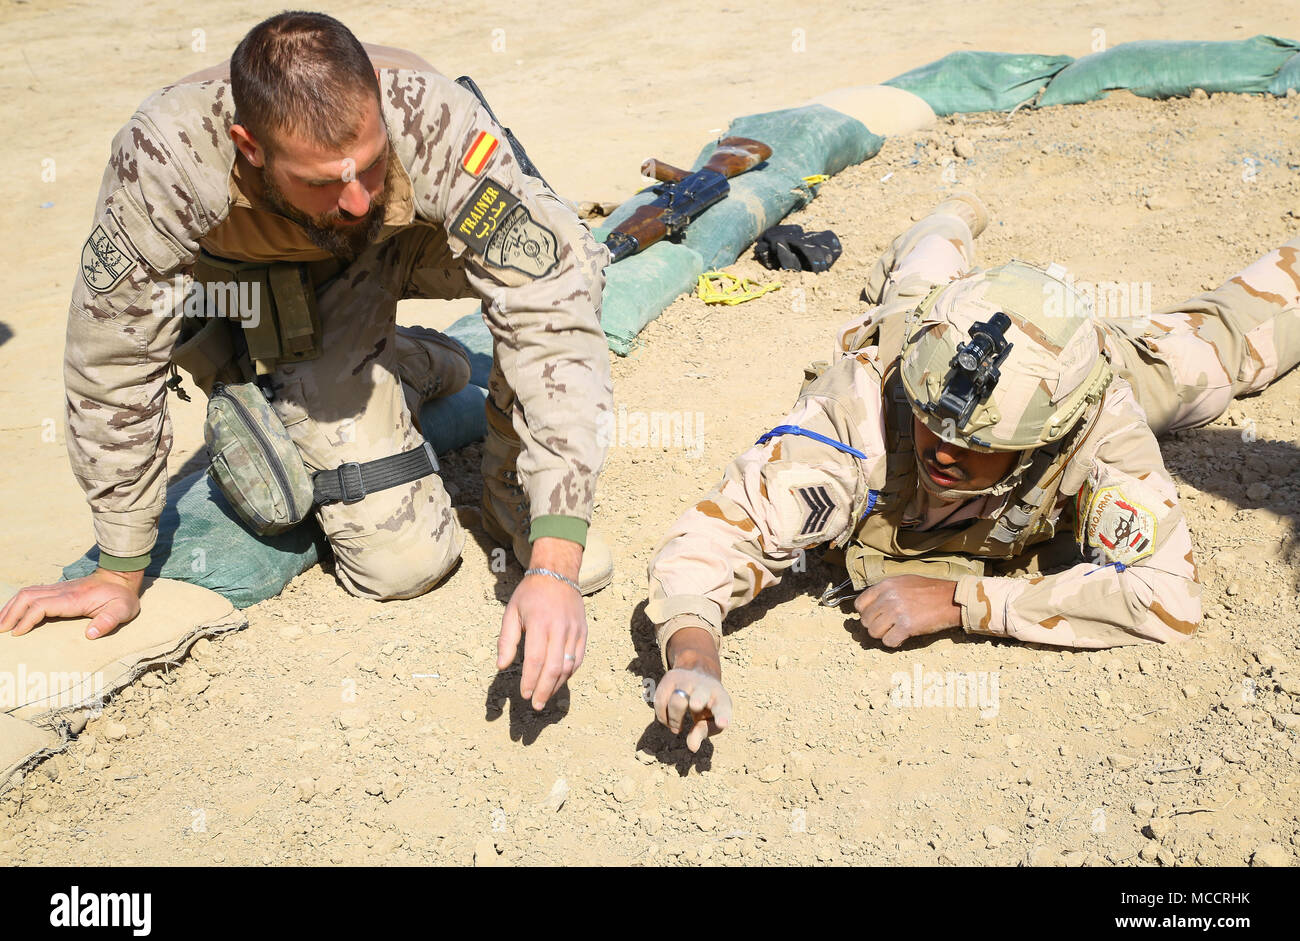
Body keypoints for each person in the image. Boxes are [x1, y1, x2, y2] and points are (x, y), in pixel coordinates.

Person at [0, 12, 615, 711]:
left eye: (372, 165)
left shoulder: (430, 116)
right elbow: (111, 361)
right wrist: (119, 566)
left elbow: (546, 307)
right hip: (290, 290)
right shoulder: (166, 159)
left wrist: (555, 559)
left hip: (403, 247)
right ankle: (367, 366)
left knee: (569, 259)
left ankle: (508, 491)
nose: (357, 197)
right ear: (249, 147)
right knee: (403, 564)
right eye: (323, 182)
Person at [645, 191, 1300, 750]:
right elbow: (717, 538)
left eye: (977, 443)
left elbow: (1167, 598)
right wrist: (695, 656)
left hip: (1067, 362)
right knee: (921, 277)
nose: (942, 451)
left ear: (1050, 437)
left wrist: (965, 602)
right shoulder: (864, 407)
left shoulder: (1099, 422)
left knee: (1221, 356)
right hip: (927, 323)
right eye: (931, 424)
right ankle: (951, 217)